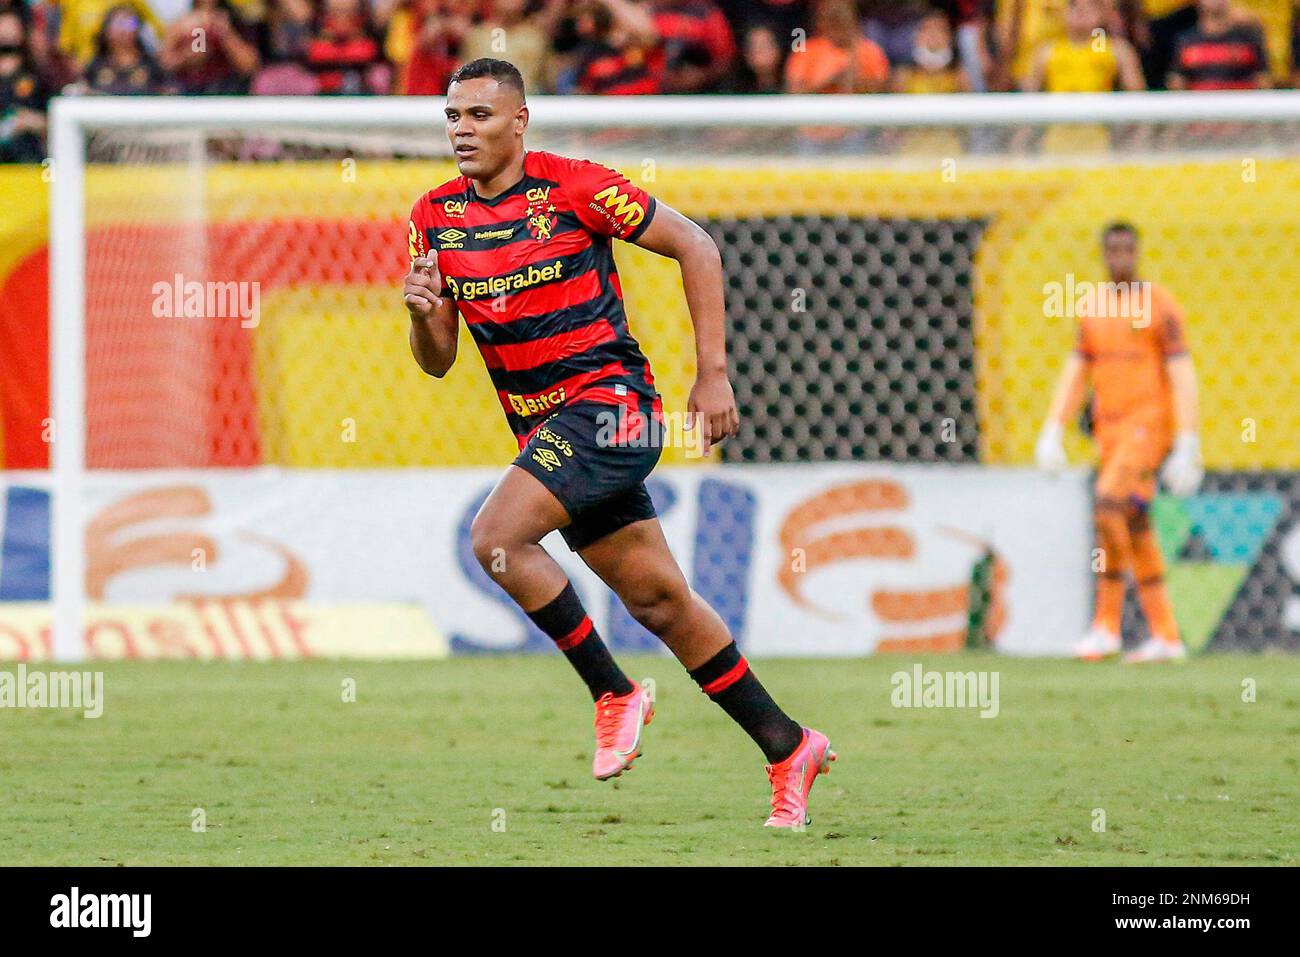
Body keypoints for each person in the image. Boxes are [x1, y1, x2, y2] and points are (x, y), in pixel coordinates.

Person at [402, 58, 835, 827]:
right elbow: (438, 362)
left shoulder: (575, 187)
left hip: (615, 409)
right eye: (452, 117)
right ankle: (787, 744)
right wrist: (419, 312)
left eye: (478, 116)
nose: (462, 131)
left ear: (519, 121)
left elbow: (696, 245)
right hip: (550, 431)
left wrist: (714, 375)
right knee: (660, 601)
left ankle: (615, 691)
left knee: (497, 538)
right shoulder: (433, 217)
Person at [1035, 222, 1203, 664]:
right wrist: (1053, 427)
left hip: (1148, 428)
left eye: (1128, 248)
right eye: (1113, 249)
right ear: (1103, 253)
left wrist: (1188, 440)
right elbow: (1077, 373)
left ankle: (1109, 626)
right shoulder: (1092, 308)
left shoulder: (1160, 306)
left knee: (1108, 502)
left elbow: (1181, 374)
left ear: (1138, 252)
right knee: (1132, 520)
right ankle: (1162, 634)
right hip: (1109, 435)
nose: (1121, 256)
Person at [1022, 0, 1144, 91]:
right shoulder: (1046, 50)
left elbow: (1136, 93)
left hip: (1100, 122)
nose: (1081, 11)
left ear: (1101, 13)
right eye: (1074, 5)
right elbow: (1028, 94)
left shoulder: (1117, 50)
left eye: (1090, 6)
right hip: (1058, 122)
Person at [784, 0, 889, 93]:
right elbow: (792, 91)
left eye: (843, 18)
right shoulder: (804, 50)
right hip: (817, 112)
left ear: (854, 19)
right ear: (821, 21)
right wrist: (827, 82)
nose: (839, 25)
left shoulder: (871, 51)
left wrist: (857, 82)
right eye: (833, 19)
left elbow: (883, 90)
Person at [1167, 0, 1271, 89]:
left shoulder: (1249, 37)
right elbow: (1176, 80)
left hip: (1241, 106)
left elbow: (1264, 78)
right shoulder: (1185, 39)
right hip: (1199, 107)